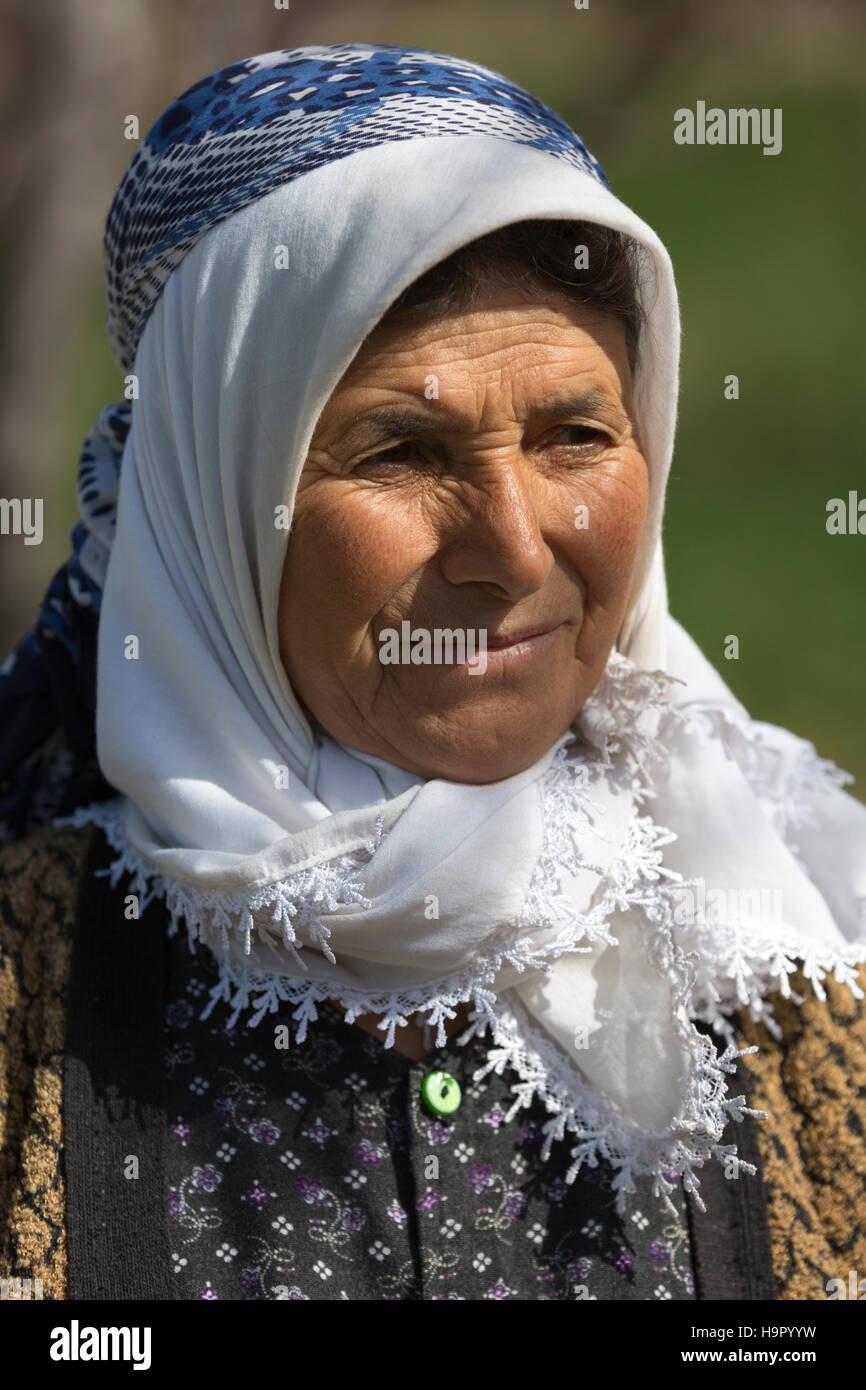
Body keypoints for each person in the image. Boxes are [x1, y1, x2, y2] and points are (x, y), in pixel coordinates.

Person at [1, 41, 865, 1303]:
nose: (513, 550)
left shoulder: (791, 962)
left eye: (576, 432)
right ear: (213, 504)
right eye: (401, 451)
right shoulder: (33, 989)